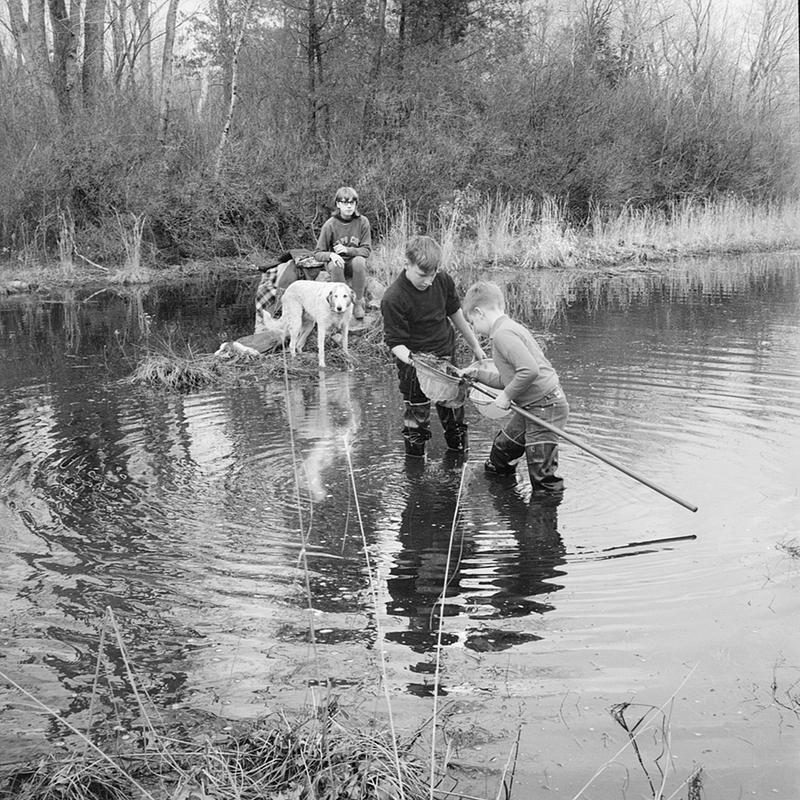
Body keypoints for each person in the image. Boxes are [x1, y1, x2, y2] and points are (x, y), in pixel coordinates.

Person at [381, 235, 486, 458]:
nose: (428, 281)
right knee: (416, 421)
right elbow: (394, 343)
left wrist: (475, 346)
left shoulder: (443, 281)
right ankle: (415, 473)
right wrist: (416, 361)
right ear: (406, 265)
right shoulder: (393, 298)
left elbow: (455, 314)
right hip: (414, 364)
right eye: (422, 275)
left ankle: (459, 462)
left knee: (455, 416)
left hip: (445, 356)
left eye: (432, 274)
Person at [462, 280, 569, 493]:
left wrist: (506, 396)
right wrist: (477, 375)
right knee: (502, 452)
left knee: (543, 477)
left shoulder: (503, 334)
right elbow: (510, 378)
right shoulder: (506, 329)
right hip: (531, 406)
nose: (474, 329)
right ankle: (506, 501)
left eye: (472, 323)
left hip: (546, 407)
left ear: (479, 312)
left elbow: (529, 370)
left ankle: (542, 521)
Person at [314, 186, 371, 320]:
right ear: (338, 204)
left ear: (356, 204)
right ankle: (340, 305)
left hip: (353, 264)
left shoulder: (363, 222)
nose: (349, 206)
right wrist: (331, 255)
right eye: (345, 203)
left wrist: (348, 250)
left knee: (359, 261)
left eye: (352, 203)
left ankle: (357, 303)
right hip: (336, 266)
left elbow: (366, 250)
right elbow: (317, 253)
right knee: (337, 263)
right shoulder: (330, 225)